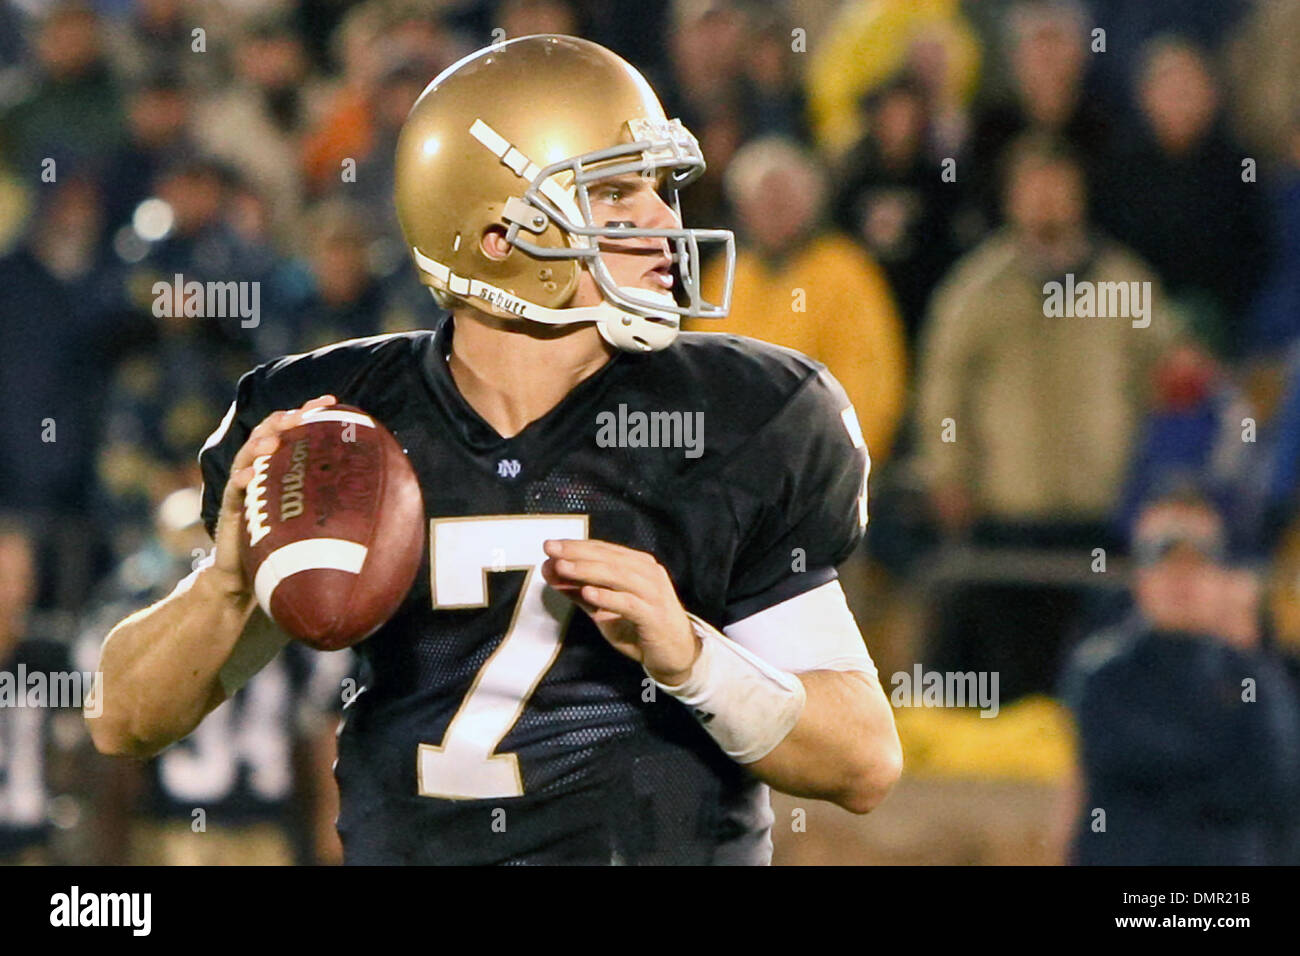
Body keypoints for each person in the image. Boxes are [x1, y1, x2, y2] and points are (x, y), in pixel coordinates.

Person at [86, 35, 902, 866]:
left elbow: (863, 763)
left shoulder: (734, 416)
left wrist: (696, 661)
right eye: (614, 192)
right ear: (499, 237)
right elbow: (122, 718)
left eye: (658, 188)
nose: (664, 221)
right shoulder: (344, 425)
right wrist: (227, 585)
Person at [1060, 488, 1300, 864]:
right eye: (1165, 563)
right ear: (1140, 576)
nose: (1180, 580)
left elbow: (1274, 782)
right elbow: (1117, 760)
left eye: (1196, 564)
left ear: (1220, 576)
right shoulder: (1102, 671)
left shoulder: (1254, 676)